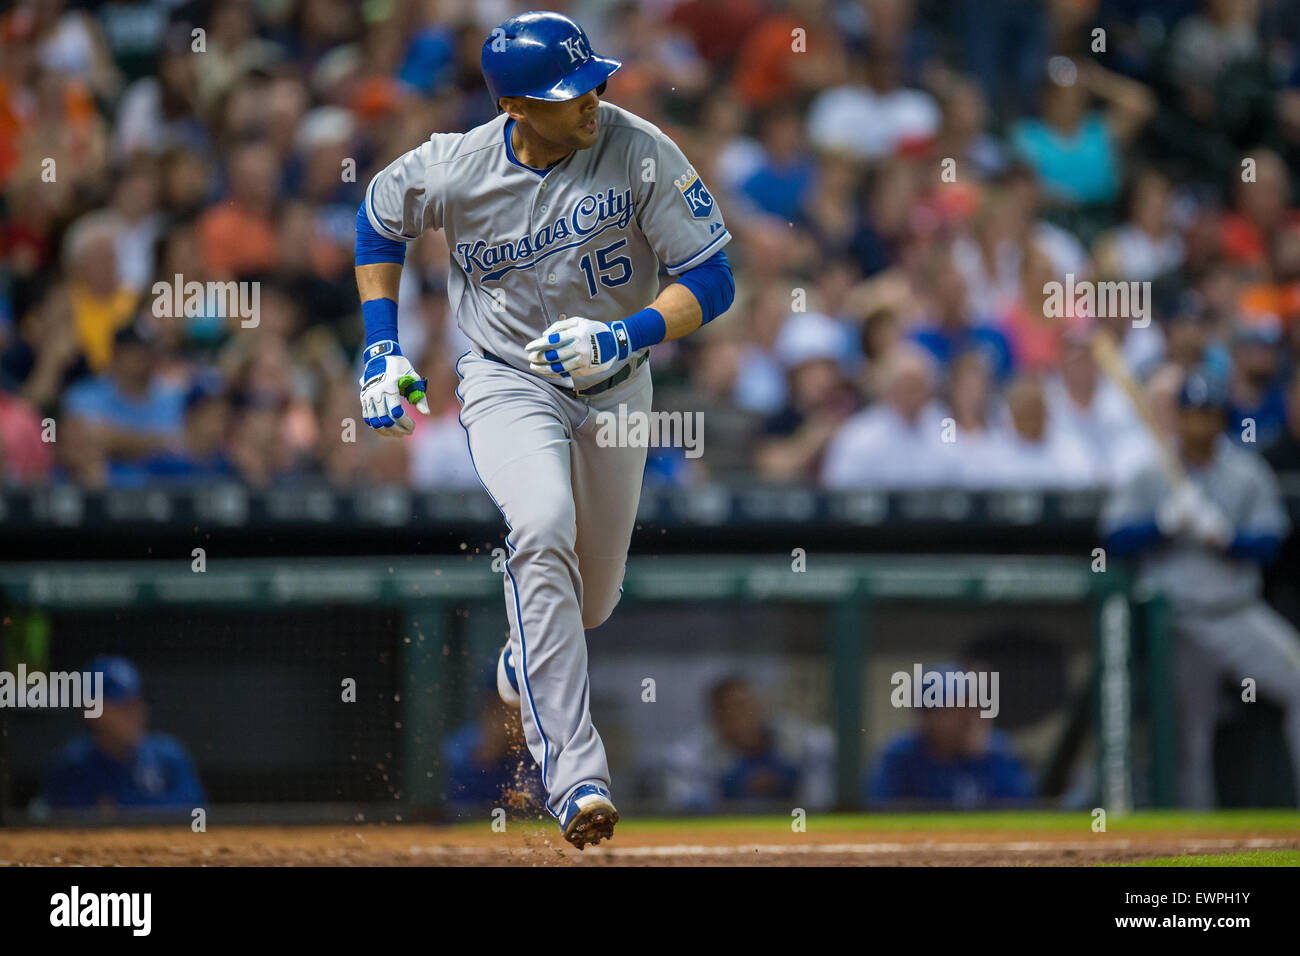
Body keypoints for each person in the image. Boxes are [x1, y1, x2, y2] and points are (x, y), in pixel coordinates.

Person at [353, 11, 734, 848]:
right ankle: (576, 777)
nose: (592, 97)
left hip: (615, 381)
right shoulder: (458, 164)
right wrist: (380, 349)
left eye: (593, 78)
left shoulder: (637, 147)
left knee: (591, 601)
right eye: (569, 91)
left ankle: (523, 663)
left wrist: (625, 333)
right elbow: (379, 216)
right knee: (540, 529)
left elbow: (712, 277)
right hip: (504, 378)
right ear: (517, 107)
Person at [1100, 367, 1300, 807]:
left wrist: (1229, 538)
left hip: (1237, 611)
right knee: (1189, 737)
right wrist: (1163, 523)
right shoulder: (1152, 473)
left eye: (1209, 414)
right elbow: (1113, 538)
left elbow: (1271, 543)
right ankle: (1194, 842)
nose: (1200, 424)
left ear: (1222, 419)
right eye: (1192, 414)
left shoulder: (1246, 472)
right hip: (1180, 621)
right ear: (1180, 418)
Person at [39, 656, 206, 814]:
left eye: (136, 703)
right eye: (121, 706)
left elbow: (197, 817)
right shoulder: (73, 766)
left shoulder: (169, 757)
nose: (133, 713)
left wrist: (119, 808)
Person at [868, 666, 1035, 808]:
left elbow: (1025, 807)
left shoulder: (994, 750)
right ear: (926, 716)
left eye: (969, 706)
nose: (966, 717)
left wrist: (981, 761)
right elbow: (879, 809)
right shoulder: (902, 755)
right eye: (952, 709)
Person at [662, 676, 834, 812]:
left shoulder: (797, 739)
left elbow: (823, 797)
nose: (745, 717)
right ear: (717, 719)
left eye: (750, 706)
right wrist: (741, 786)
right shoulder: (693, 754)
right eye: (733, 709)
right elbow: (687, 804)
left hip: (793, 829)